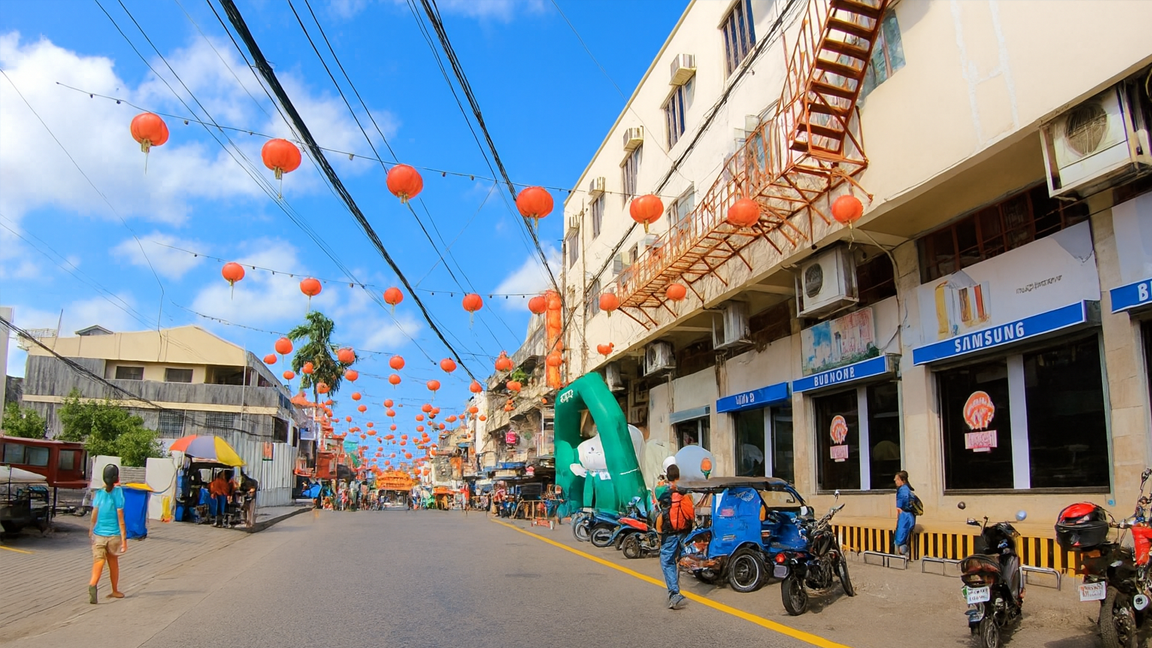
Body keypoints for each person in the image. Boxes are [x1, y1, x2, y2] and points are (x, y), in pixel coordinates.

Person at [89, 464, 127, 603]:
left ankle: (93, 584)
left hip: (99, 534)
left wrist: (90, 529)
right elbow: (121, 518)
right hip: (114, 535)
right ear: (116, 478)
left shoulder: (99, 493)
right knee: (113, 563)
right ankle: (115, 590)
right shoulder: (118, 493)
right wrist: (124, 539)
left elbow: (94, 514)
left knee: (98, 561)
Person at [658, 464, 691, 610]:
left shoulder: (664, 492)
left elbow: (659, 514)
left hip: (669, 534)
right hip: (684, 532)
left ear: (667, 476)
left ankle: (674, 593)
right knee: (683, 557)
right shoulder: (685, 492)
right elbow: (691, 513)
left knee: (667, 562)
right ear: (679, 475)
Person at [894, 470, 917, 557]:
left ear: (902, 480)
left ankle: (903, 556)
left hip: (905, 516)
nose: (895, 481)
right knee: (905, 536)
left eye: (897, 480)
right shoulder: (907, 489)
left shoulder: (903, 491)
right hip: (909, 516)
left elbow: (900, 507)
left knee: (901, 537)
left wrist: (899, 516)